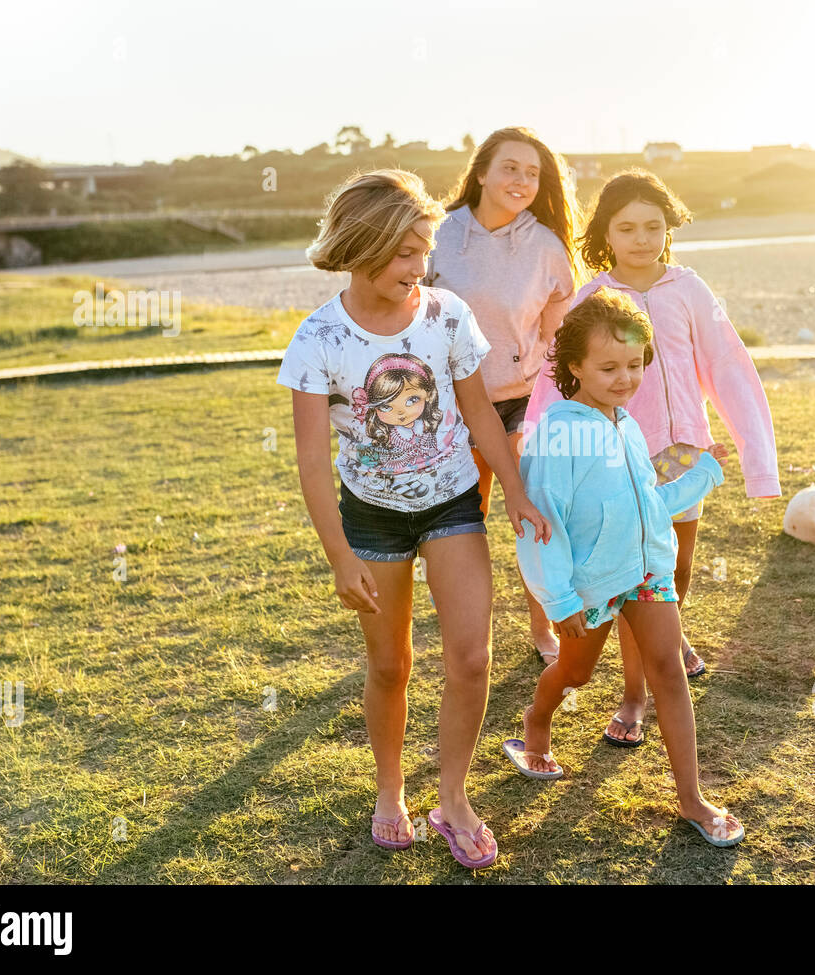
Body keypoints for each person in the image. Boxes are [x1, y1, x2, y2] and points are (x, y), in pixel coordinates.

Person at [277, 169, 550, 868]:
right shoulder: (318, 339)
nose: (418, 266)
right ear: (361, 246)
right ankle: (391, 790)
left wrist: (513, 489)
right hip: (372, 519)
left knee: (471, 655)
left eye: (424, 250)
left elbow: (481, 413)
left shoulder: (447, 315)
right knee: (391, 664)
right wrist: (340, 554)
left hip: (454, 500)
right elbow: (312, 462)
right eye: (404, 252)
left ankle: (453, 797)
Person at [525, 168, 781, 748]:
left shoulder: (690, 289)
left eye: (653, 226)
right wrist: (539, 458)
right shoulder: (591, 299)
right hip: (613, 468)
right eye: (627, 227)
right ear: (605, 234)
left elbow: (729, 367)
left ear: (669, 229)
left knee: (672, 574)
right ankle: (634, 696)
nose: (642, 238)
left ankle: (667, 645)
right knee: (630, 579)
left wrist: (756, 460)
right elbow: (552, 382)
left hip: (681, 456)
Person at [505, 288, 744, 847]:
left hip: (647, 573)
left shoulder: (626, 425)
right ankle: (536, 723)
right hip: (589, 584)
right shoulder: (559, 436)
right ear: (574, 367)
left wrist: (703, 474)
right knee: (575, 673)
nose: (625, 378)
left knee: (670, 674)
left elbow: (647, 505)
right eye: (608, 367)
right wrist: (559, 600)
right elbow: (543, 525)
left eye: (635, 365)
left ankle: (691, 799)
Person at [424, 126, 579, 666]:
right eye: (510, 168)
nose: (521, 180)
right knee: (463, 523)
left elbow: (562, 337)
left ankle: (544, 626)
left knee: (532, 516)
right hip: (449, 404)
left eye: (533, 173)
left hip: (522, 401)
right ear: (482, 171)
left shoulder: (546, 247)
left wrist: (558, 405)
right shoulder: (437, 236)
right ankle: (468, 636)